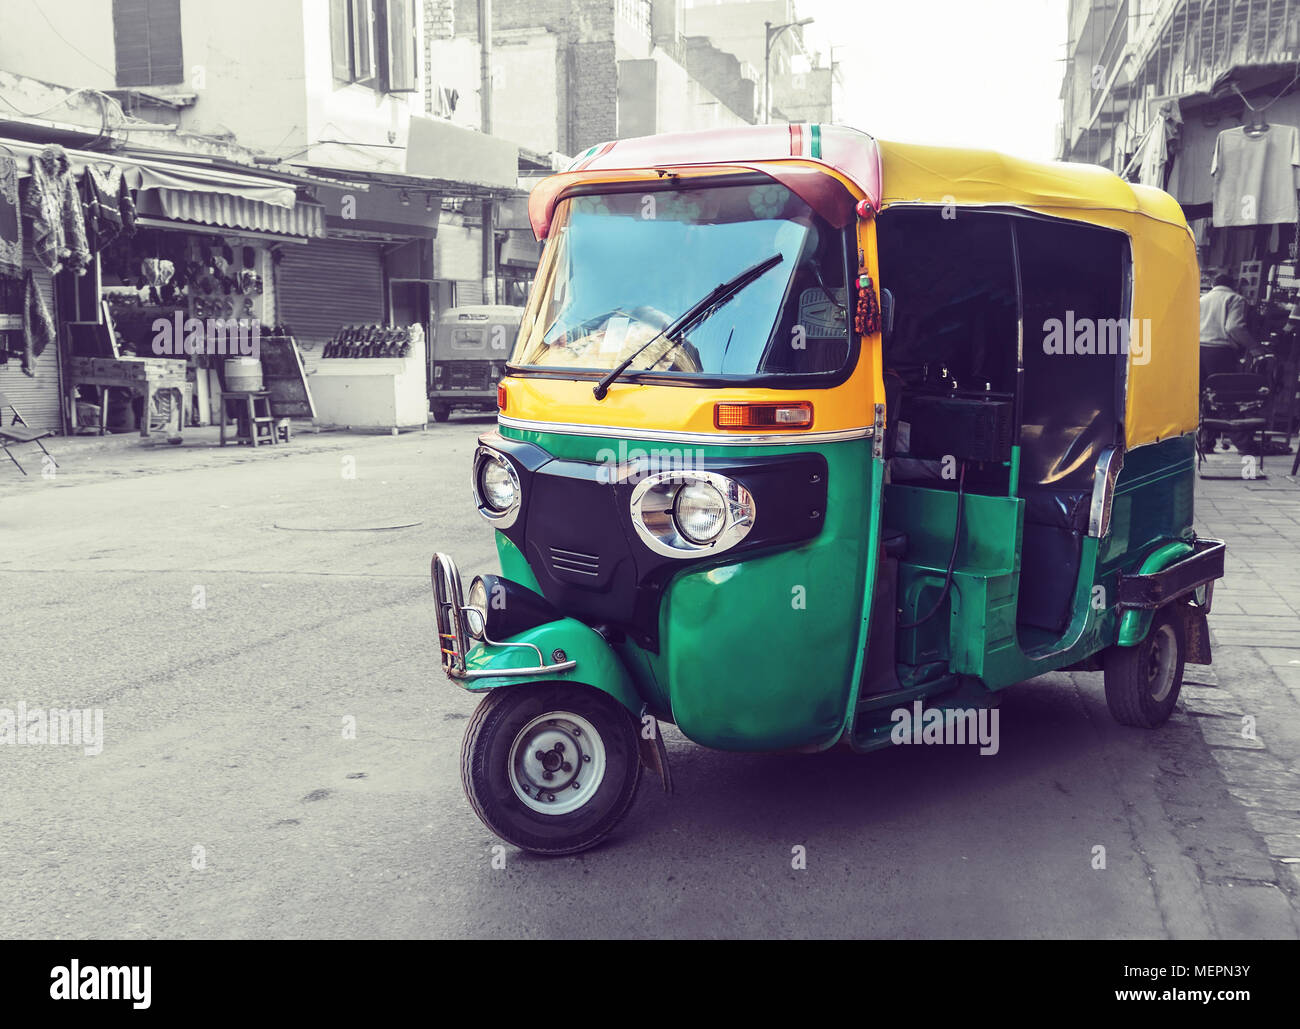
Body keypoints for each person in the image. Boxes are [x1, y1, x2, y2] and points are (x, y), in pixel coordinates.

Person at [1198, 271, 1255, 452]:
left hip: (1198, 351)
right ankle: (1245, 445)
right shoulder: (1235, 299)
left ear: (1214, 284)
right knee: (1226, 398)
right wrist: (1254, 347)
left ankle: (1206, 442)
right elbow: (1234, 327)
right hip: (1220, 353)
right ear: (1233, 285)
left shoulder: (1202, 300)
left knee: (1206, 399)